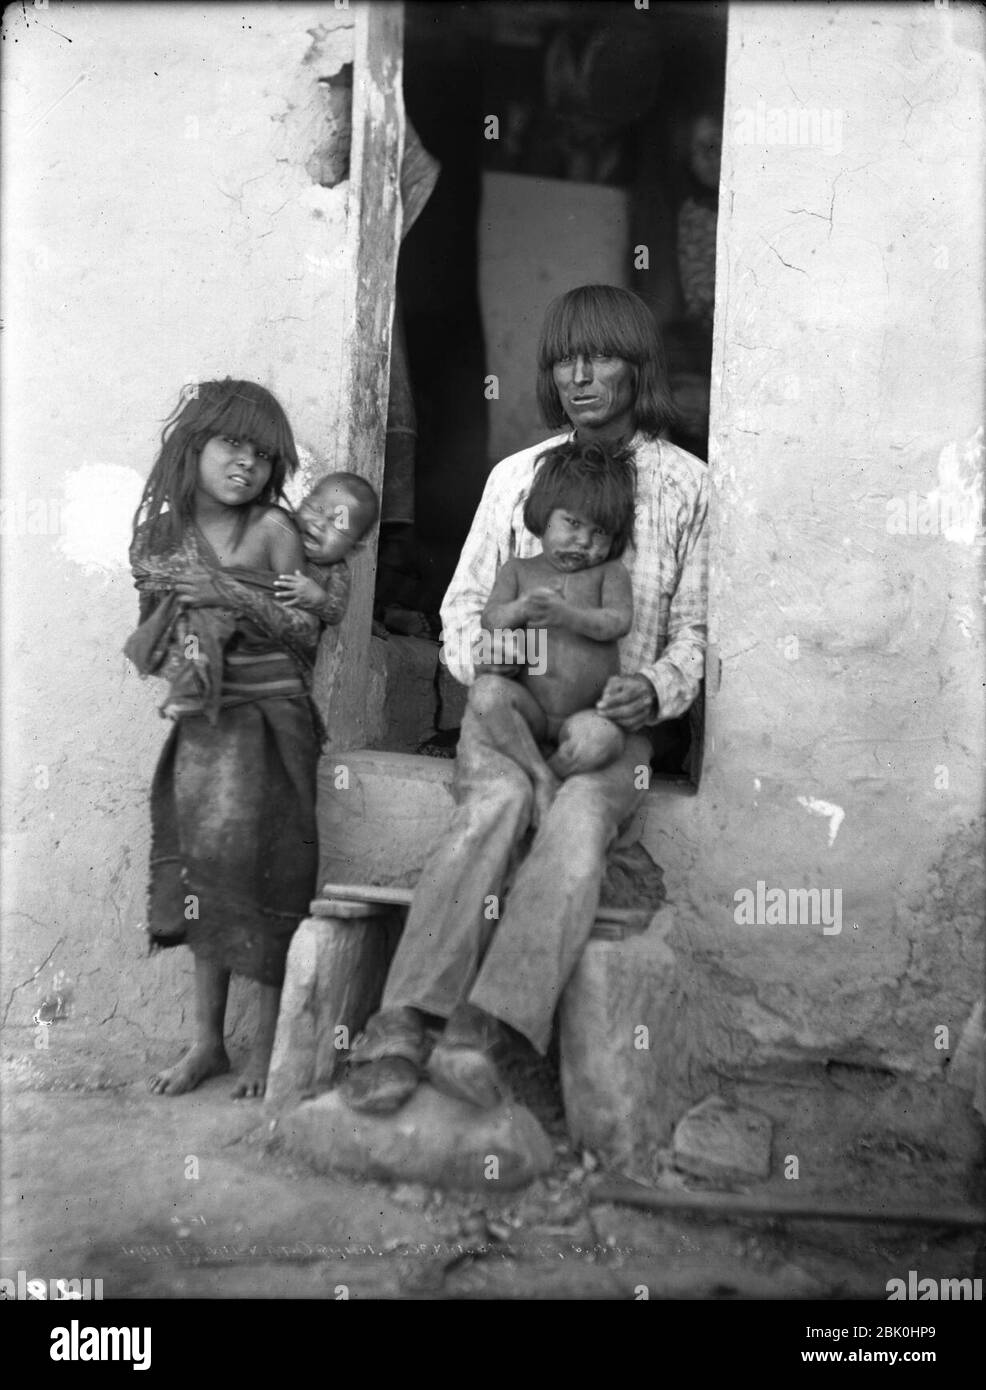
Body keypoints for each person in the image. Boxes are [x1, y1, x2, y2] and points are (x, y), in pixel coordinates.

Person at [343, 284, 708, 1115]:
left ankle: (482, 1031)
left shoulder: (687, 489)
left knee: (578, 820)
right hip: (508, 718)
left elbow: (695, 637)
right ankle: (400, 1024)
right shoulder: (516, 478)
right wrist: (513, 669)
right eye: (563, 361)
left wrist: (639, 695)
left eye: (601, 357)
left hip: (611, 737)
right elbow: (462, 615)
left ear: (639, 367)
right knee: (494, 805)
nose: (580, 375)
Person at [125, 380, 359, 1099]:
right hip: (205, 722)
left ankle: (263, 1050)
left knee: (268, 877)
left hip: (273, 720)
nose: (246, 466)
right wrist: (184, 641)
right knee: (207, 878)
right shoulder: (161, 537)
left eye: (262, 456)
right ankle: (207, 1045)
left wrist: (225, 592)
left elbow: (305, 634)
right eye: (231, 446)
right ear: (194, 446)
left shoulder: (273, 531)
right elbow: (154, 632)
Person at [469, 437, 635, 823]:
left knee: (602, 740)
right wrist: (521, 608)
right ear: (543, 516)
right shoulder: (518, 571)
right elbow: (491, 618)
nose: (584, 541)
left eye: (600, 533)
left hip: (587, 712)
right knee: (487, 693)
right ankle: (539, 773)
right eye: (573, 523)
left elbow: (618, 621)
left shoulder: (609, 573)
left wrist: (567, 615)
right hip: (529, 709)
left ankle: (552, 774)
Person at [274, 471, 379, 613]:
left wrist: (320, 599)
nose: (320, 524)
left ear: (353, 549)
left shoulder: (337, 572)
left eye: (338, 525)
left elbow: (336, 613)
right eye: (314, 509)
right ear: (300, 505)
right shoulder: (279, 527)